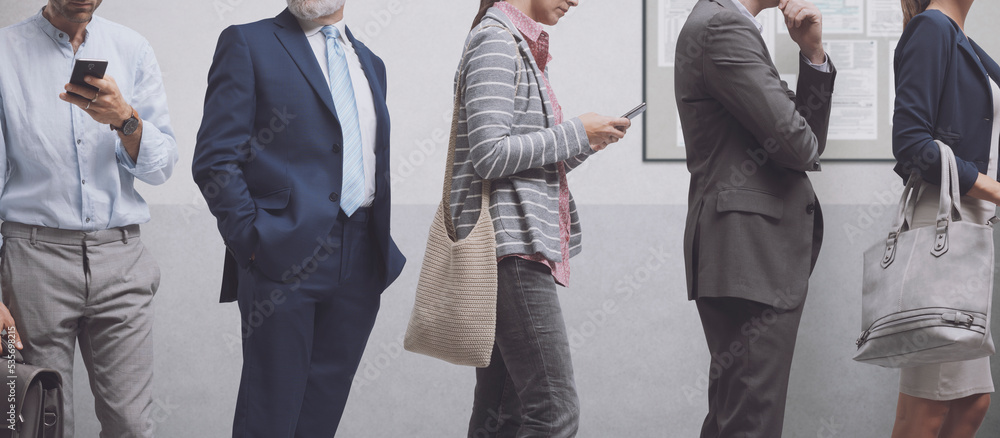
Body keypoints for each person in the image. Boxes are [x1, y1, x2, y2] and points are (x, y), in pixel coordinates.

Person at [192, 0, 406, 435]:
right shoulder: (248, 42)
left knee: (320, 416)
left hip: (362, 256)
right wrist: (252, 241)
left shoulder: (371, 62)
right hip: (280, 254)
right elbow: (215, 160)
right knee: (269, 416)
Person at [0, 0, 178, 436]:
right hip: (32, 262)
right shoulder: (4, 52)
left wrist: (126, 120)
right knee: (40, 419)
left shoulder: (132, 48)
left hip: (121, 260)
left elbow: (161, 168)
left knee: (131, 426)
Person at [456, 1, 631, 436]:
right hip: (511, 249)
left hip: (514, 244)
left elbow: (518, 161)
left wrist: (585, 142)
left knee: (500, 416)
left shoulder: (515, 42)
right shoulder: (496, 40)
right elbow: (488, 155)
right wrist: (575, 132)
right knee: (553, 411)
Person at [674, 0, 836, 436]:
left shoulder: (725, 25)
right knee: (750, 421)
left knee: (740, 416)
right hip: (748, 252)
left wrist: (813, 55)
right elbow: (799, 145)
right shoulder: (723, 25)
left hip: (749, 253)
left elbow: (806, 144)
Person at [890, 1, 1000, 437]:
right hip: (947, 222)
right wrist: (993, 189)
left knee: (969, 401)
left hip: (969, 226)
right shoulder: (931, 29)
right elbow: (912, 142)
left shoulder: (960, 40)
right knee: (929, 405)